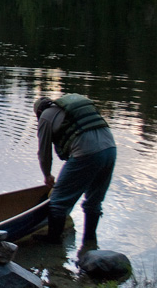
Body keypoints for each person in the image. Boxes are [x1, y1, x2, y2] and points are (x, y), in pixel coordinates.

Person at [33, 94, 116, 249]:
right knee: (94, 201)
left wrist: (47, 175)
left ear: (38, 112)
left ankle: (53, 240)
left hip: (86, 154)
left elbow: (44, 153)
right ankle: (90, 241)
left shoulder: (45, 117)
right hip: (110, 150)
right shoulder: (70, 110)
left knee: (57, 202)